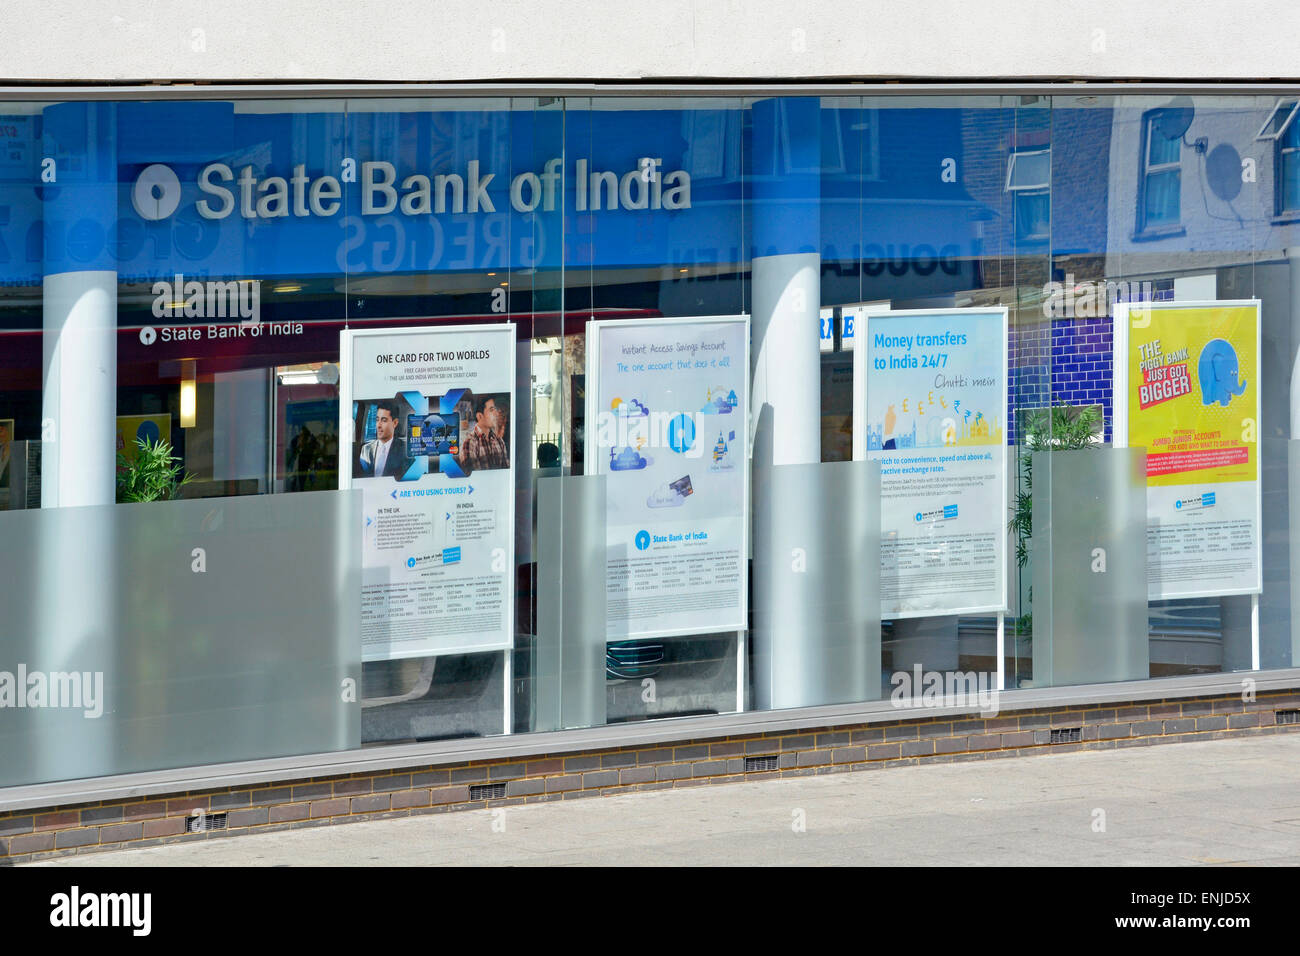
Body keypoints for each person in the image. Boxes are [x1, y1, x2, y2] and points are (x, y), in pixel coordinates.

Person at [357, 400, 410, 478]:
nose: (378, 425)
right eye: (377, 420)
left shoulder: (405, 450)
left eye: (384, 420)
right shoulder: (366, 449)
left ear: (395, 423)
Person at [460, 395, 509, 471]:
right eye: (491, 410)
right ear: (479, 416)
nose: (496, 413)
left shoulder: (499, 441)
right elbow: (475, 477)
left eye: (496, 409)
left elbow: (506, 469)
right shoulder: (470, 443)